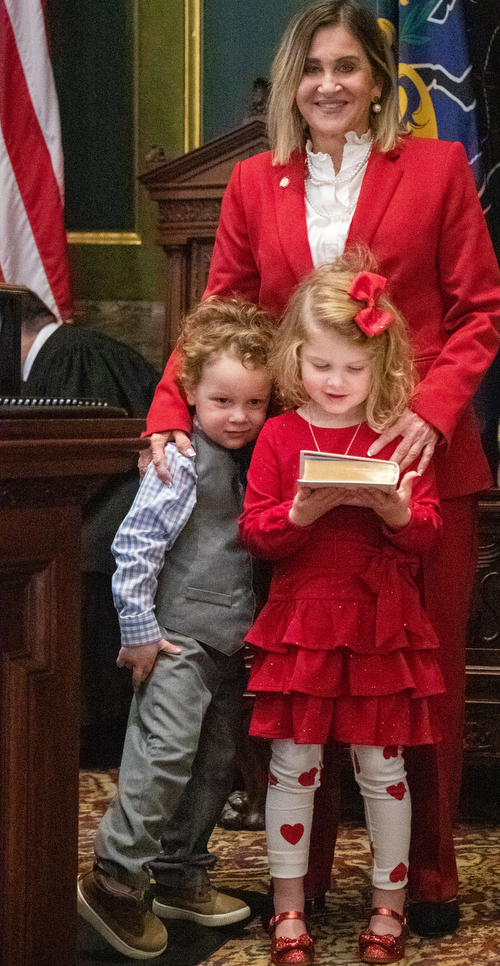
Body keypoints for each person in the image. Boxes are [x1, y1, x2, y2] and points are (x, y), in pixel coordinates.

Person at [144, 0, 500, 938]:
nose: (328, 84)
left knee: (423, 680)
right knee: (301, 680)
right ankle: (299, 882)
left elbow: (480, 311)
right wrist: (169, 409)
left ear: (378, 81)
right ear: (290, 85)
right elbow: (223, 313)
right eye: (311, 68)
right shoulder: (252, 184)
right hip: (299, 467)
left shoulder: (437, 168)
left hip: (419, 459)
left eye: (346, 66)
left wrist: (429, 410)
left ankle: (427, 878)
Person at [241, 256, 445, 966]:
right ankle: (288, 906)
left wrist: (396, 512)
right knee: (293, 763)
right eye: (322, 365)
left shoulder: (397, 433)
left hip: (378, 624)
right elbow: (256, 531)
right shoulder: (279, 434)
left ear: (380, 365)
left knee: (383, 769)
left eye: (353, 368)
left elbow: (427, 531)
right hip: (301, 621)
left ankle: (389, 904)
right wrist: (297, 515)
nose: (335, 381)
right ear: (296, 359)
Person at [77, 298, 274, 960]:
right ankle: (113, 878)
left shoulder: (256, 456)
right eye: (222, 401)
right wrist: (138, 630)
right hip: (175, 638)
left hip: (230, 641)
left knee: (215, 762)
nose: (238, 416)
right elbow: (135, 548)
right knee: (163, 755)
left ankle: (181, 874)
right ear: (190, 392)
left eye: (254, 402)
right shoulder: (180, 462)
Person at [19, 289, 162, 764]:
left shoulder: (73, 353)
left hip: (121, 505)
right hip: (109, 501)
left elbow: (83, 451)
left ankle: (93, 732)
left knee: (76, 558)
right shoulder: (74, 350)